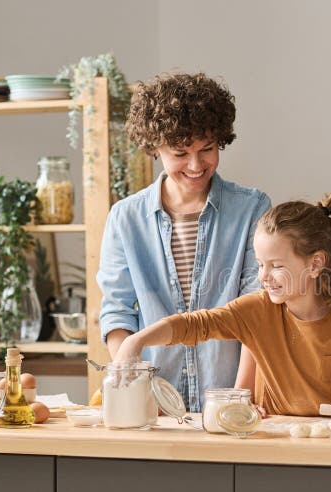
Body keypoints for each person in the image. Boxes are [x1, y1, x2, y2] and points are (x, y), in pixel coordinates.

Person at [114, 193, 331, 423]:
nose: (263, 276)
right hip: (272, 445)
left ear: (315, 265)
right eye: (259, 264)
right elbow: (194, 325)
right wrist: (135, 341)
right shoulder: (256, 310)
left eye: (276, 265)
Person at [97, 72, 271, 413]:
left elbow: (259, 308)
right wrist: (135, 384)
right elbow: (116, 310)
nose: (195, 165)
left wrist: (238, 398)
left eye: (207, 149)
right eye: (180, 153)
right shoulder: (125, 218)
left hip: (233, 399)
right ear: (154, 147)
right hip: (154, 402)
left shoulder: (252, 209)